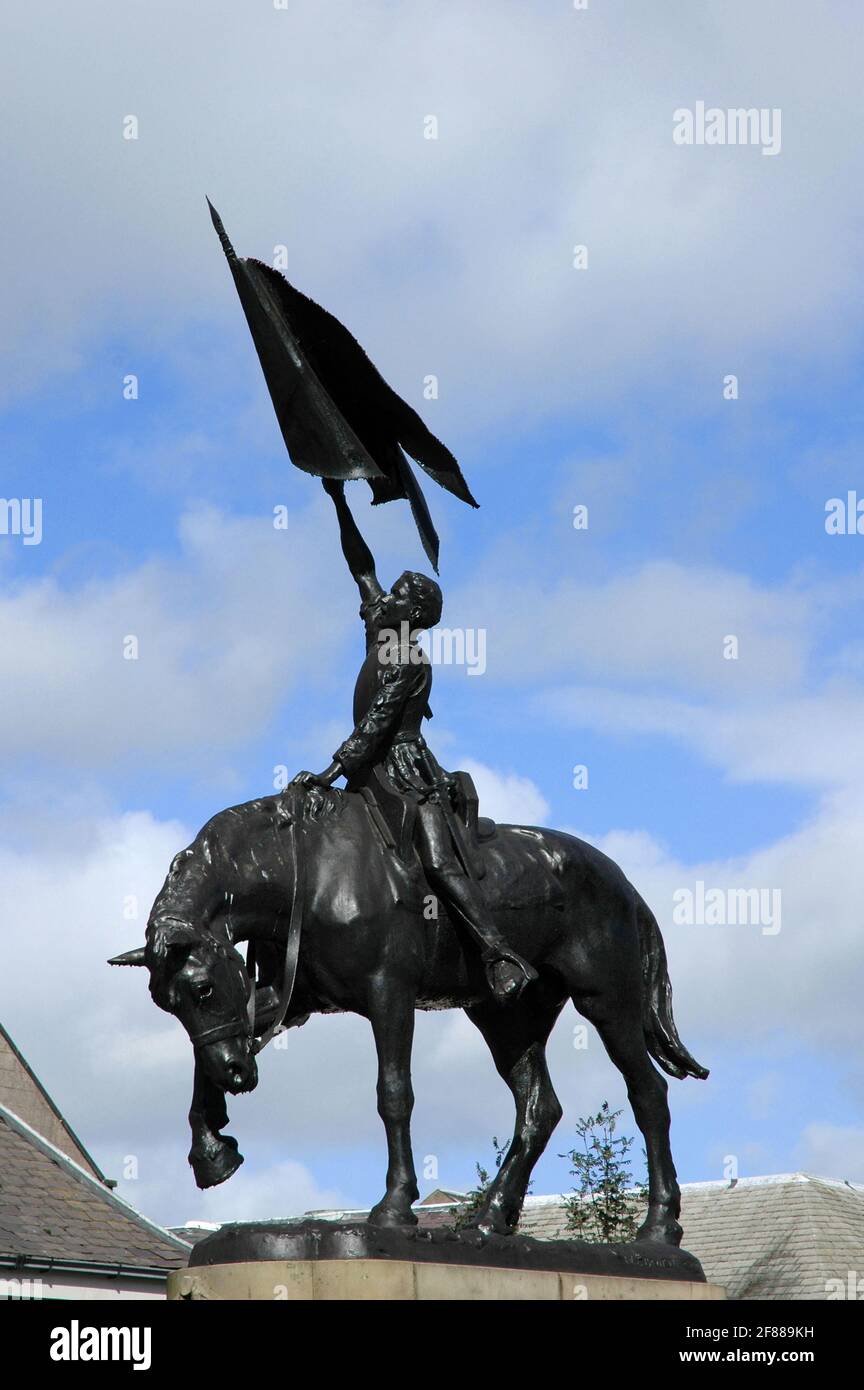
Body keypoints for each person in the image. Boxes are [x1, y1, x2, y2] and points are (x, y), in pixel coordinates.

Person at [294, 479, 538, 1005]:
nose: (388, 596)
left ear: (416, 614)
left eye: (401, 594)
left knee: (436, 860)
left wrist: (330, 771)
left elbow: (377, 724)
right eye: (395, 589)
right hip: (371, 762)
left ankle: (498, 953)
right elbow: (360, 565)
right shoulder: (382, 632)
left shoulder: (407, 657)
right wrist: (338, 500)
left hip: (403, 770)